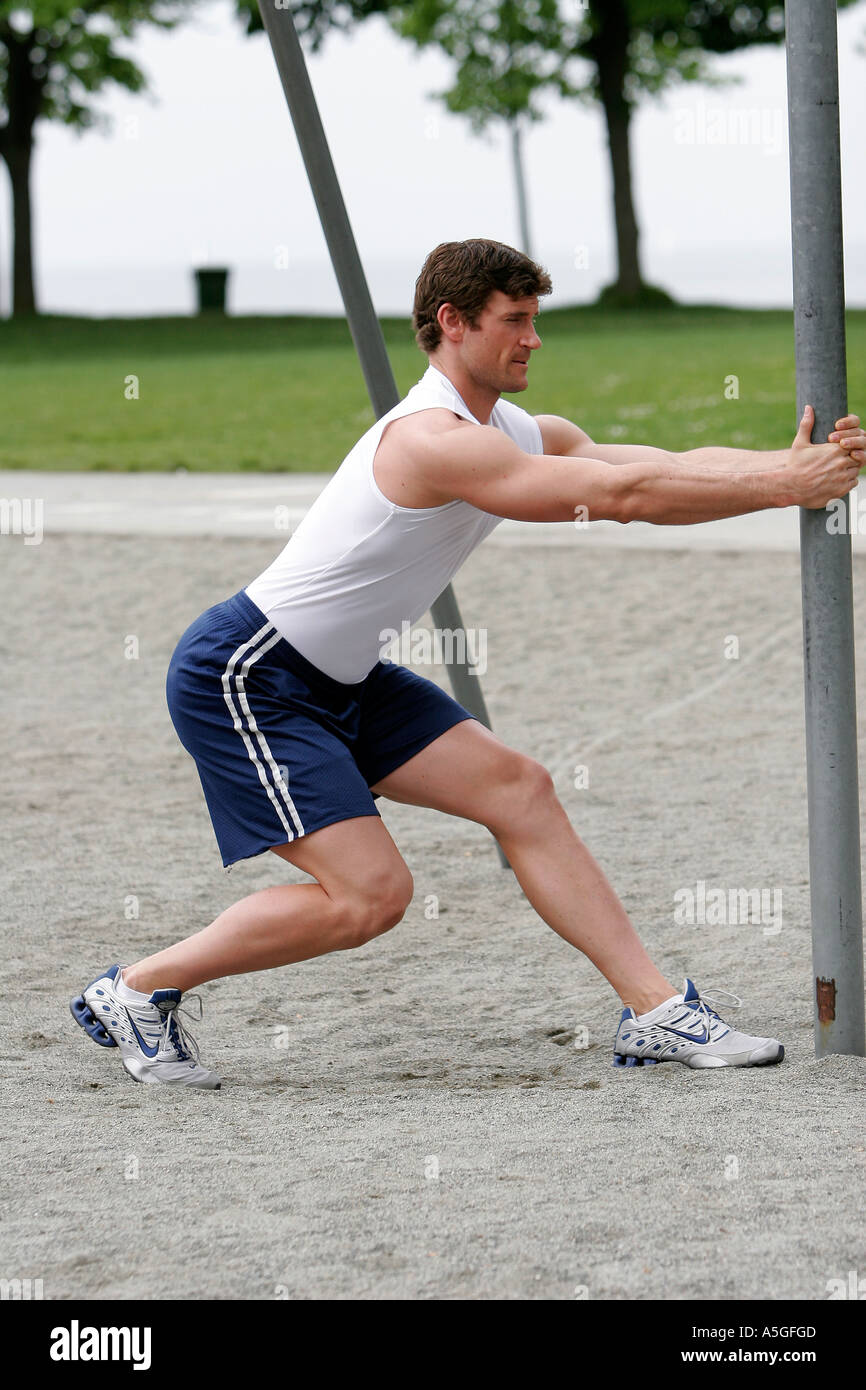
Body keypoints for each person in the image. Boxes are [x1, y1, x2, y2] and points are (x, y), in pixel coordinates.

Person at [71, 239, 865, 1089]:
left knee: (519, 790)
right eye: (514, 321)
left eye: (534, 321)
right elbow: (626, 501)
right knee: (369, 897)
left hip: (341, 676)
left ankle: (655, 1010)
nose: (533, 339)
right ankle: (138, 990)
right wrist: (783, 487)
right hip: (248, 674)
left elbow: (655, 465)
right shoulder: (430, 441)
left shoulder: (514, 431)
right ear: (452, 323)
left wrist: (787, 468)